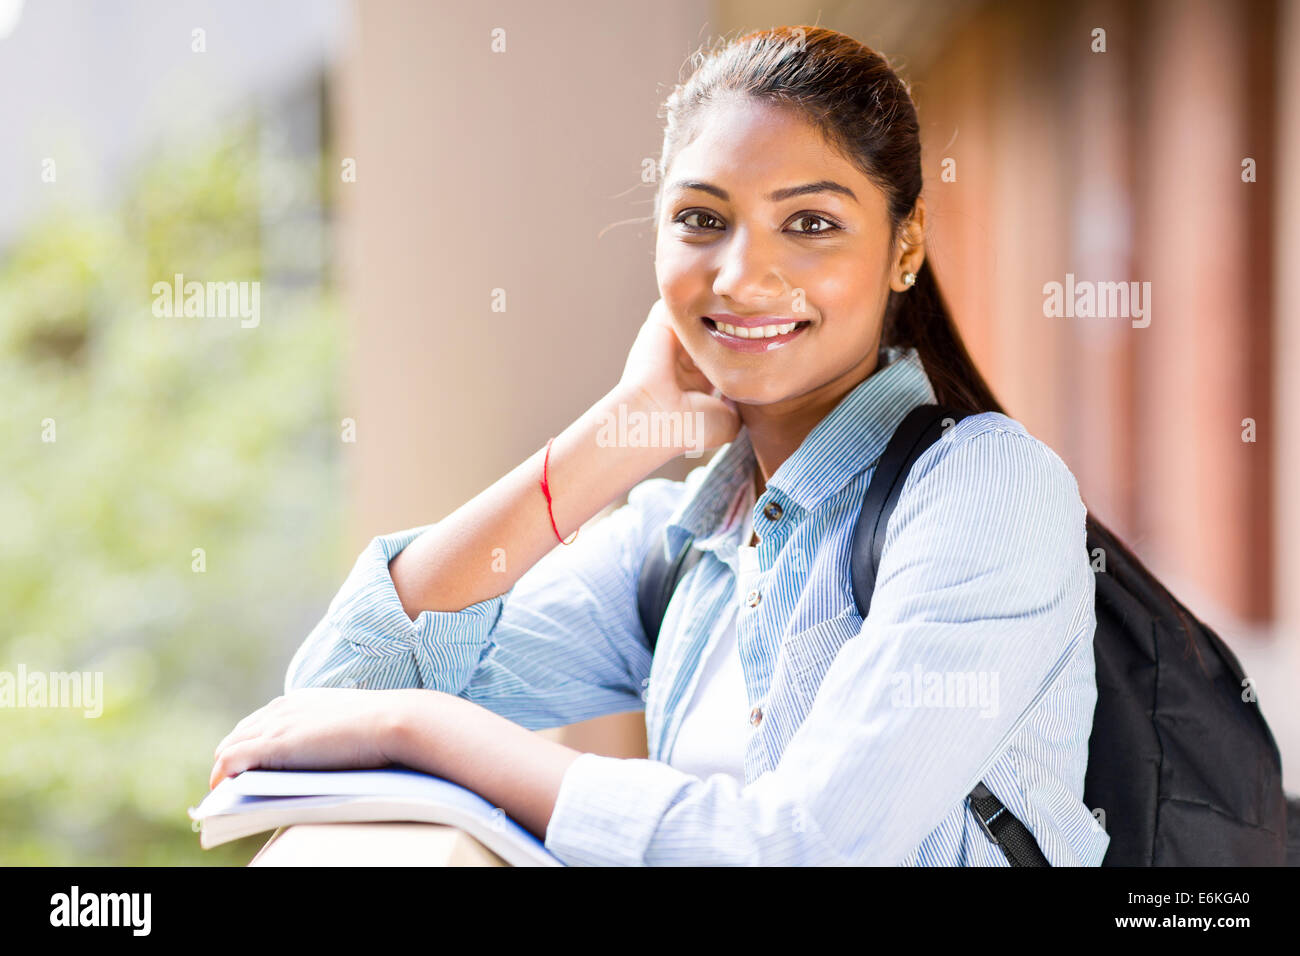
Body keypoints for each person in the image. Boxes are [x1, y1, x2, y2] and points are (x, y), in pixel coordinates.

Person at [210, 25, 1108, 866]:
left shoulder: (988, 492)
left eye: (810, 224)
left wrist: (427, 733)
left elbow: (806, 849)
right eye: (703, 220)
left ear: (904, 246)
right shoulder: (687, 544)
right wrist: (618, 432)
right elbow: (340, 689)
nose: (743, 275)